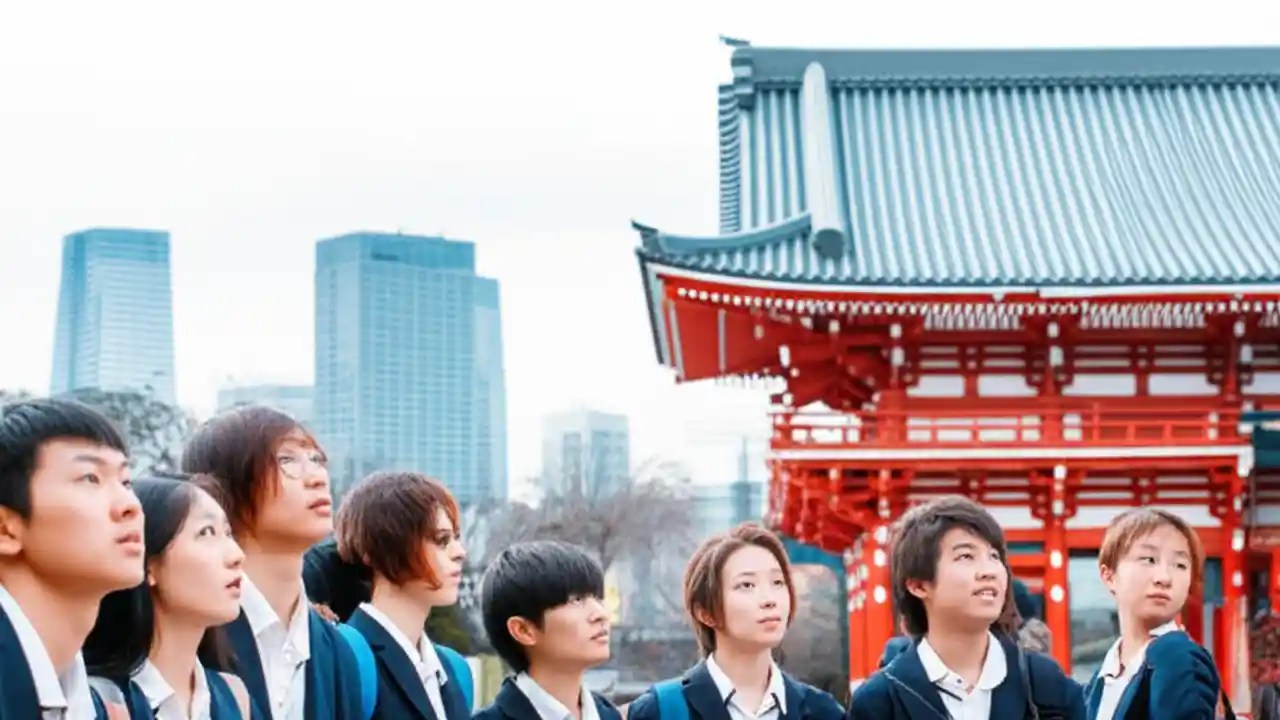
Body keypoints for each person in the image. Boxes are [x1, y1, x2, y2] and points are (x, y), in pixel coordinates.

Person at [181, 406, 364, 720]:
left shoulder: (337, 653)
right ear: (228, 485)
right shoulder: (193, 631)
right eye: (287, 460)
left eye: (316, 459)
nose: (317, 477)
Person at [848, 496, 1084, 720]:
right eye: (965, 556)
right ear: (919, 585)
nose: (989, 571)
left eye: (994, 556)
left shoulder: (1046, 686)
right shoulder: (879, 702)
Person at [0, 398, 145, 719]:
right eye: (90, 478)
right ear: (5, 530)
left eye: (126, 481)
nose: (130, 505)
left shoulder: (100, 703)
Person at [301, 471, 473, 720]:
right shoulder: (342, 659)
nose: (459, 552)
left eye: (455, 538)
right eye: (441, 540)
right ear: (379, 548)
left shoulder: (453, 670)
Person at [628, 523, 844, 720]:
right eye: (747, 585)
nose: (769, 599)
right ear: (705, 612)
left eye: (777, 582)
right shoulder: (663, 710)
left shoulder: (823, 712)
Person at [84, 474, 255, 719]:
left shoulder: (235, 698)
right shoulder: (98, 705)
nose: (236, 555)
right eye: (206, 533)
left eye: (228, 534)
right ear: (147, 565)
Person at [1083, 508, 1226, 720]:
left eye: (1180, 565)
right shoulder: (1100, 680)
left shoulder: (1177, 656)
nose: (1164, 578)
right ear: (1109, 575)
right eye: (1149, 559)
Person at [473, 540, 622, 720]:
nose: (601, 614)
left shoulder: (609, 715)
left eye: (598, 598)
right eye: (576, 600)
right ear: (523, 630)